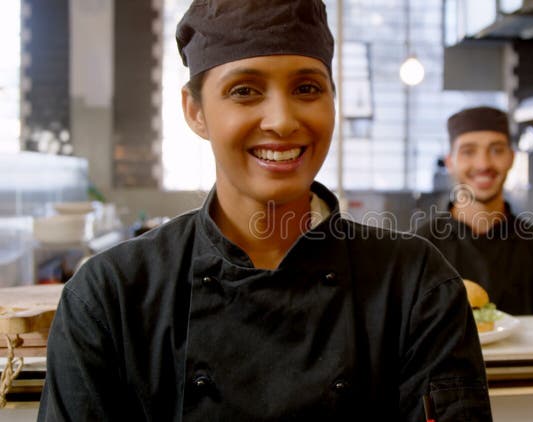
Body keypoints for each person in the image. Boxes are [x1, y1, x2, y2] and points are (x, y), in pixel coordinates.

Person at [38, 1, 492, 420]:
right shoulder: (109, 298)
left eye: (307, 87)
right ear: (195, 110)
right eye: (245, 90)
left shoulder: (417, 288)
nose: (281, 120)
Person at [415, 106, 533, 316]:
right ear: (450, 162)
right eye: (468, 151)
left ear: (511, 158)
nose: (483, 163)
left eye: (496, 150)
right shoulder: (420, 248)